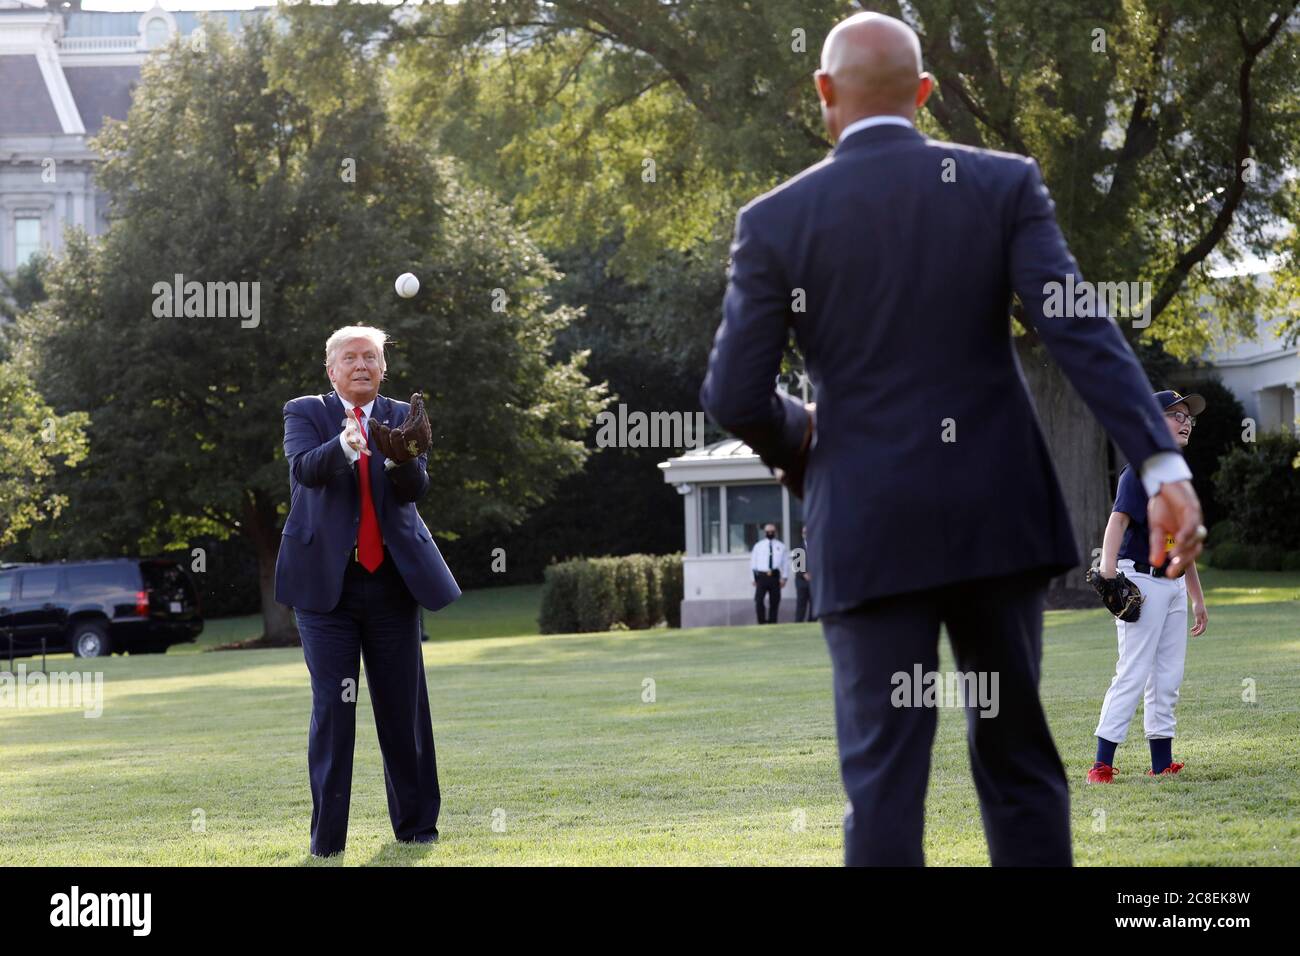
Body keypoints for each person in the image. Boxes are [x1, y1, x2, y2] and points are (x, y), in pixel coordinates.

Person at [698, 12, 1206, 866]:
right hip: (995, 515)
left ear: (823, 92)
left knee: (883, 787)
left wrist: (814, 447)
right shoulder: (1002, 185)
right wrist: (1160, 463)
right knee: (1018, 767)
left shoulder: (778, 219)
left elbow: (734, 395)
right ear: (926, 94)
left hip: (865, 522)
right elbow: (1080, 329)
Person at [274, 325, 461, 857]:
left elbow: (416, 489)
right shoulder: (305, 412)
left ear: (383, 367)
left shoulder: (404, 413)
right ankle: (328, 842)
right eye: (351, 358)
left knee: (403, 709)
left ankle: (418, 829)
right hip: (325, 590)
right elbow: (304, 471)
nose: (362, 365)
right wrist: (342, 445)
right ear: (330, 369)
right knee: (333, 711)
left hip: (391, 584)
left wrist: (402, 458)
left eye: (372, 358)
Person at [1087, 391, 1209, 783]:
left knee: (1168, 676)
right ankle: (1102, 764)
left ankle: (1161, 764)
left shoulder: (1177, 479)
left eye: (1188, 416)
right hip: (1139, 578)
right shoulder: (1139, 471)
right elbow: (1118, 521)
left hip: (1172, 585)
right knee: (1134, 671)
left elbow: (1182, 544)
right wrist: (1107, 573)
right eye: (1175, 414)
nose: (1185, 421)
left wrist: (1197, 599)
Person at [749, 522, 789, 623]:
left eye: (772, 531)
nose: (770, 533)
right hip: (762, 576)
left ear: (775, 532)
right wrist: (753, 578)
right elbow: (753, 562)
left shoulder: (781, 546)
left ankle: (772, 622)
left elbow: (785, 563)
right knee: (759, 600)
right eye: (768, 531)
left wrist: (784, 577)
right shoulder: (759, 546)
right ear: (764, 532)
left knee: (774, 601)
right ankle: (761, 622)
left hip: (775, 576)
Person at [795, 527, 816, 622]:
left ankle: (812, 622)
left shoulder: (818, 547)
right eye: (804, 533)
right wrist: (804, 574)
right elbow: (796, 566)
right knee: (801, 604)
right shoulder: (798, 548)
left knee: (814, 604)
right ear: (802, 534)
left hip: (815, 581)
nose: (806, 534)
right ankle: (798, 623)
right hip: (802, 582)